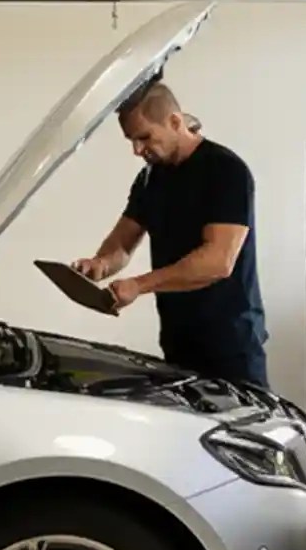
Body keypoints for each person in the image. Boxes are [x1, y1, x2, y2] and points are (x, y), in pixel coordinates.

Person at [71, 81, 269, 387]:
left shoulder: (226, 171)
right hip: (178, 342)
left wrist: (139, 284)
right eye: (131, 141)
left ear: (175, 122)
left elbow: (218, 261)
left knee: (239, 434)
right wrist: (99, 264)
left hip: (231, 346)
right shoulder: (151, 178)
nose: (137, 150)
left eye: (144, 137)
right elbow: (123, 244)